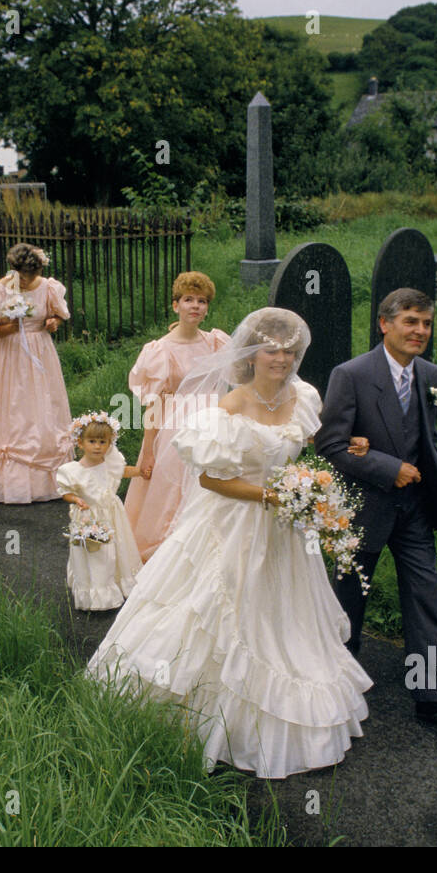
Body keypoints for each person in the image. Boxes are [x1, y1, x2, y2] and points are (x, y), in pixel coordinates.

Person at [87, 308, 372, 779]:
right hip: (235, 522)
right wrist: (274, 496)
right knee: (214, 611)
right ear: (251, 355)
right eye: (271, 350)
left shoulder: (303, 396)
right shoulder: (227, 410)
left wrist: (329, 463)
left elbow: (305, 439)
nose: (281, 359)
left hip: (285, 526)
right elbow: (212, 481)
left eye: (289, 351)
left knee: (285, 617)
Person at [317, 288, 437, 726]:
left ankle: (434, 696)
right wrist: (389, 468)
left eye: (426, 323)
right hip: (364, 506)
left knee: (425, 594)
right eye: (410, 321)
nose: (420, 331)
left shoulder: (431, 375)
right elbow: (330, 443)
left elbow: (429, 444)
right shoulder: (351, 374)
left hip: (415, 509)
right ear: (384, 324)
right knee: (350, 596)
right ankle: (338, 683)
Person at [122, 271, 230, 561]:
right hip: (176, 429)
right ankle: (169, 557)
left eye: (202, 301)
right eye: (188, 300)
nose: (195, 306)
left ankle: (207, 556)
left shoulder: (216, 342)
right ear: (175, 305)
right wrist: (148, 451)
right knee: (173, 492)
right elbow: (154, 404)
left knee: (211, 489)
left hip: (213, 425)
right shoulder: (161, 350)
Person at [0, 242, 73, 503]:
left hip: (40, 353)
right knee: (13, 408)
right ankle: (13, 479)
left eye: (31, 277)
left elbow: (58, 315)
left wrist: (53, 321)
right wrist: (12, 327)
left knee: (42, 405)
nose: (26, 282)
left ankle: (47, 471)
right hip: (10, 355)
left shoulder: (48, 287)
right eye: (22, 277)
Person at [57, 412, 144, 611]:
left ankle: (118, 581)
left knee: (116, 548)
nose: (97, 446)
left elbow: (123, 471)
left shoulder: (110, 464)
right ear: (80, 443)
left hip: (112, 515)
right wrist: (76, 499)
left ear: (109, 444)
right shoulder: (72, 470)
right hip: (88, 517)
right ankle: (95, 592)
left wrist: (140, 472)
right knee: (95, 553)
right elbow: (66, 492)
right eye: (92, 441)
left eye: (102, 442)